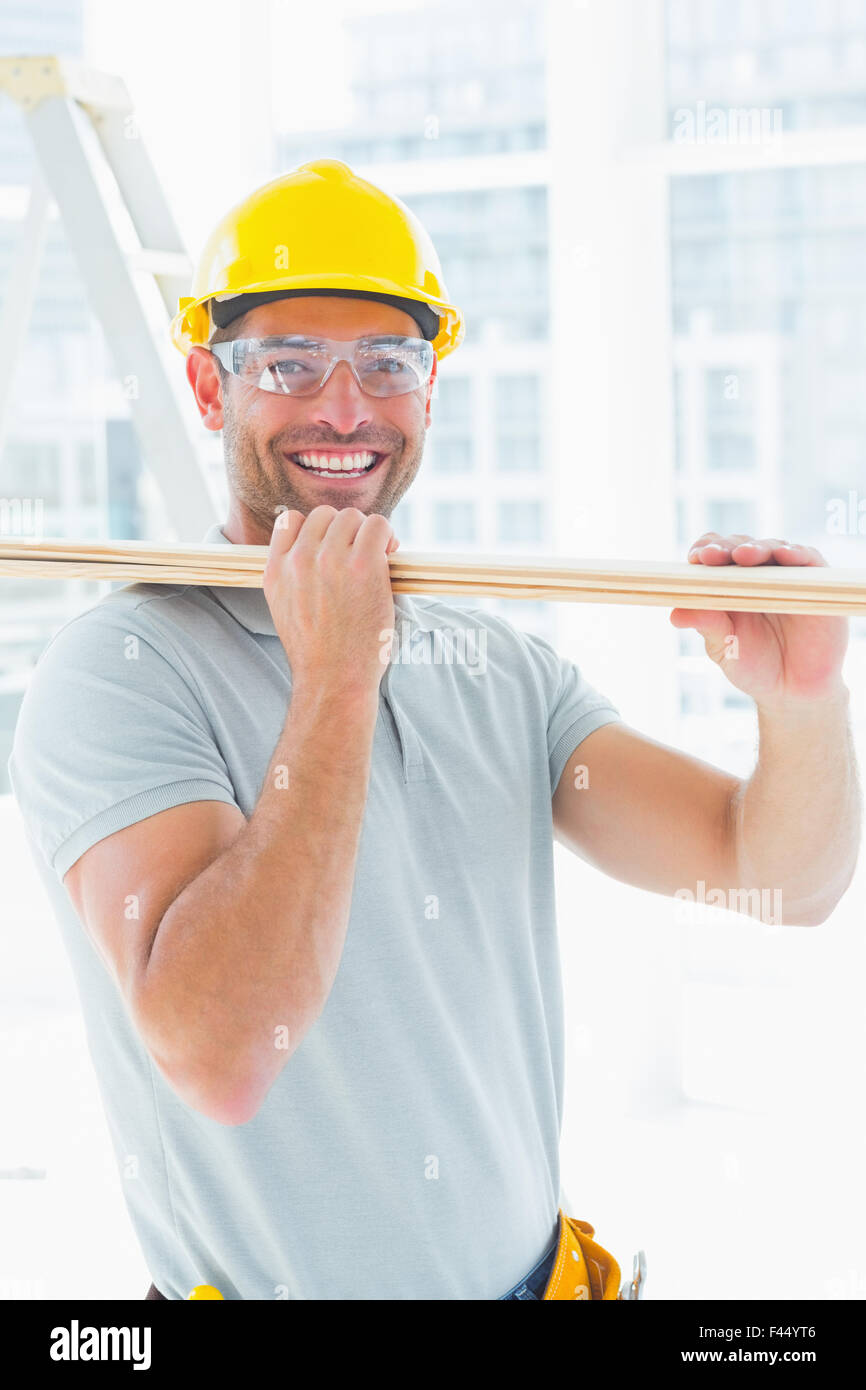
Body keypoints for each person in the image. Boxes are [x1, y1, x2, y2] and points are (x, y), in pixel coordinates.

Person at [8, 159, 860, 1301]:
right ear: (211, 390)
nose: (344, 409)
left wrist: (799, 704)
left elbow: (774, 877)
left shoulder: (496, 668)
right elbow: (219, 1057)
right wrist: (335, 681)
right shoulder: (119, 673)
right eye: (288, 365)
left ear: (430, 388)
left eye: (386, 364)